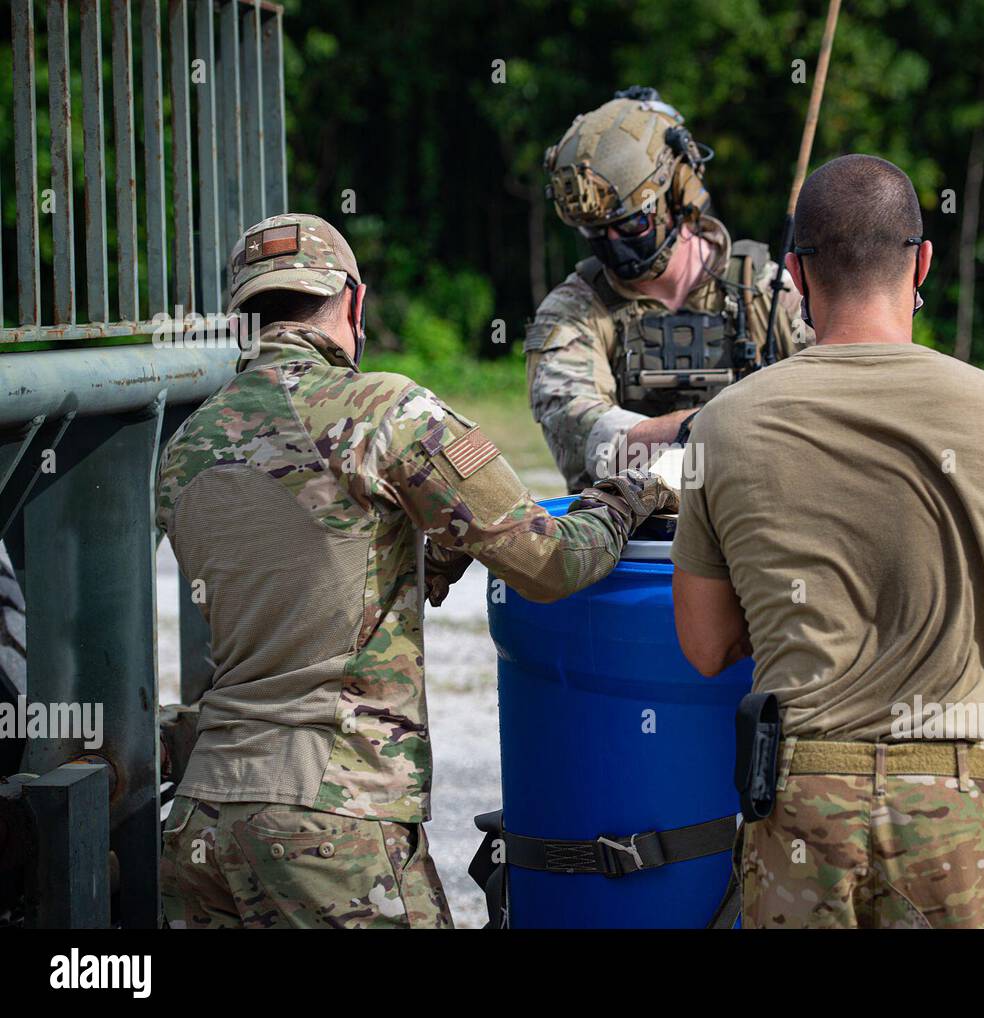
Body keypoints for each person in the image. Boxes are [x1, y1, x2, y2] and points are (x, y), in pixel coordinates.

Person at [155, 212, 676, 929]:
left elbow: (308, 571)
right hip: (334, 821)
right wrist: (631, 492)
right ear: (354, 302)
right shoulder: (384, 411)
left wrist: (431, 554)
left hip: (202, 821)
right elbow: (551, 563)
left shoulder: (186, 445)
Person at [670, 155, 984, 929]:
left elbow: (705, 645)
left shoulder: (724, 427)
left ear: (796, 275)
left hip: (804, 813)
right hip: (965, 819)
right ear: (923, 260)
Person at [527, 86, 805, 493]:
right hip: (631, 541)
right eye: (595, 232)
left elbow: (843, 397)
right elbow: (584, 435)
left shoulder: (771, 292)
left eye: (633, 224)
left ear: (679, 192)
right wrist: (730, 426)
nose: (615, 245)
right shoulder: (573, 312)